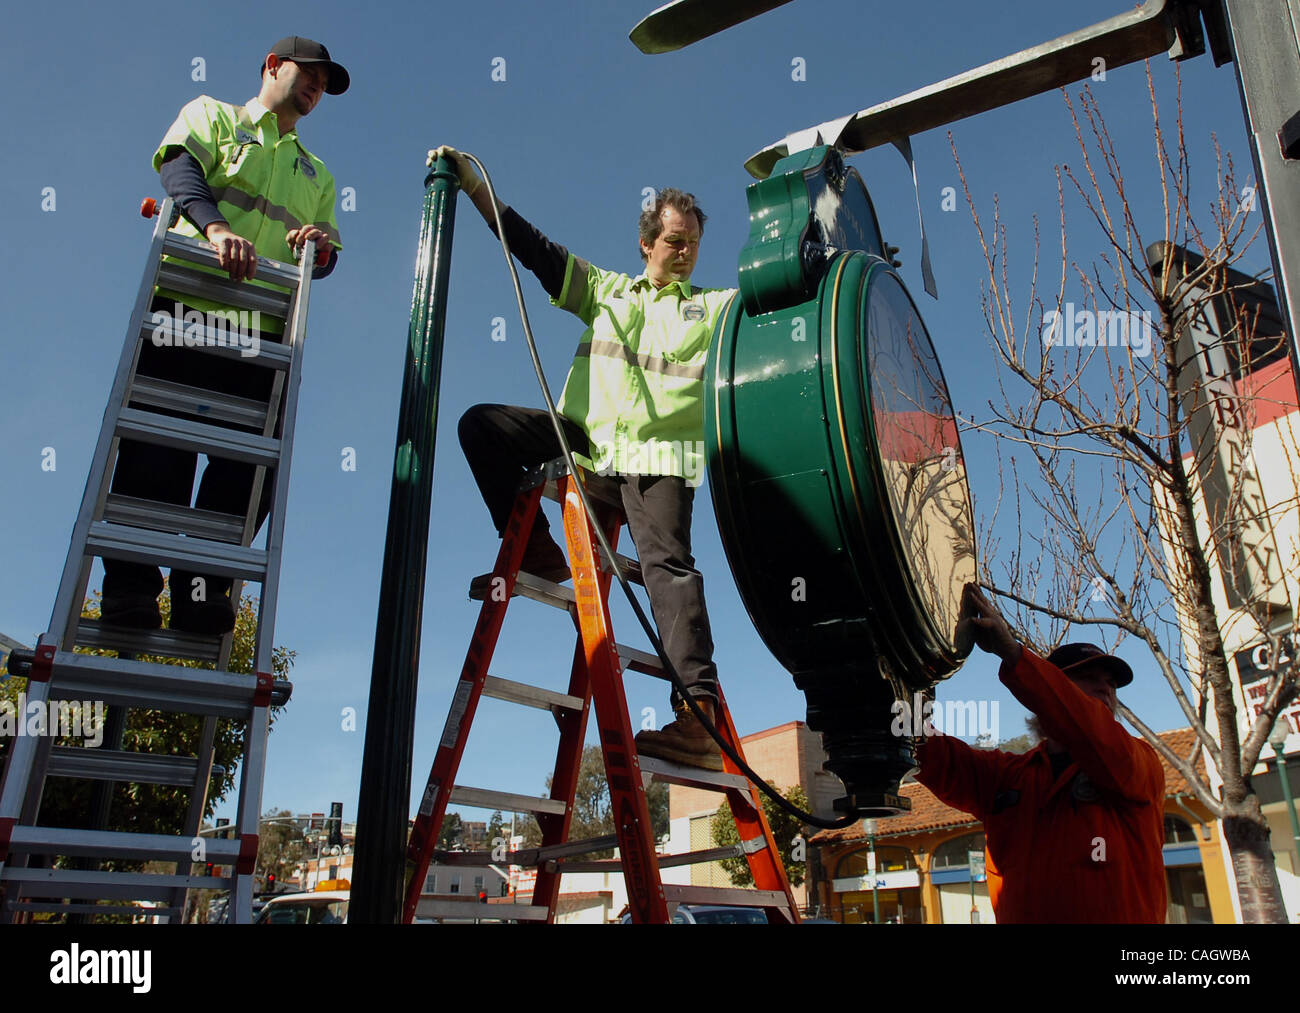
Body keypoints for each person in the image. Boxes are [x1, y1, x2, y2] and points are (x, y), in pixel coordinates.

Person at [430, 145, 735, 770]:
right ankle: (539, 550)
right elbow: (535, 250)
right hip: (586, 442)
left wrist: (827, 264)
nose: (685, 252)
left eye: (694, 243)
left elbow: (774, 297)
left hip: (659, 456)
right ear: (647, 243)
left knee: (667, 567)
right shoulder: (606, 292)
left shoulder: (715, 309)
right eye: (674, 240)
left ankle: (698, 717)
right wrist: (474, 188)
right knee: (479, 427)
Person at [102, 36, 347, 635]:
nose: (317, 86)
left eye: (324, 82)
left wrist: (320, 249)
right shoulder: (213, 114)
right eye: (310, 73)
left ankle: (203, 585)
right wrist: (213, 229)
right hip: (185, 307)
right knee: (157, 451)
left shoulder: (318, 172)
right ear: (272, 65)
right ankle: (131, 587)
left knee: (248, 468)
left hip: (260, 331)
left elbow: (329, 253)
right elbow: (178, 167)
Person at [916, 583, 1167, 922]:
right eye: (1087, 677)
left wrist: (1014, 655)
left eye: (1110, 682)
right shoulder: (1007, 776)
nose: (1105, 687)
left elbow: (1091, 730)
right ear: (1049, 690)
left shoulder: (1140, 765)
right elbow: (928, 752)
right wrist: (908, 680)